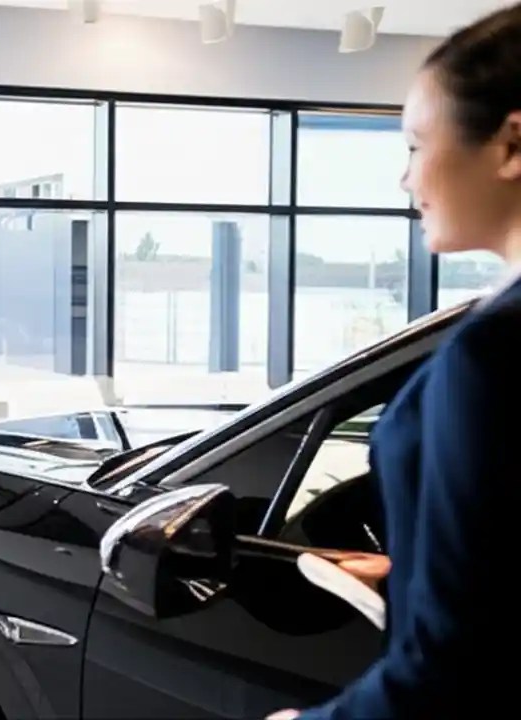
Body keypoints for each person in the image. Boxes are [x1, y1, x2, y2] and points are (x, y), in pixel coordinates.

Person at [269, 3, 521, 718]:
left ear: (511, 144)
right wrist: (411, 576)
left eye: (415, 145)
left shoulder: (494, 353)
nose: (405, 181)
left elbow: (451, 674)